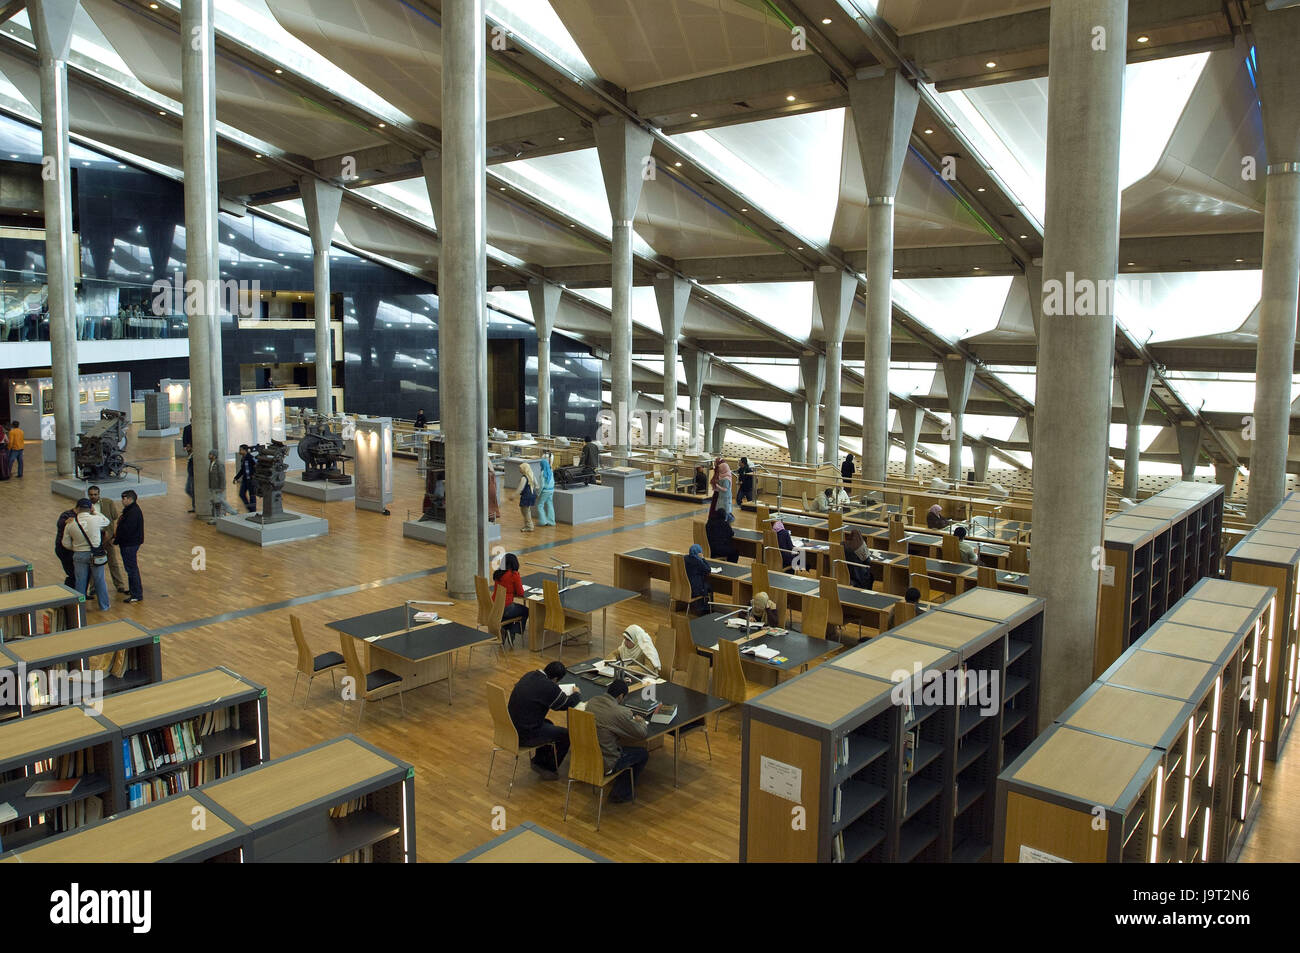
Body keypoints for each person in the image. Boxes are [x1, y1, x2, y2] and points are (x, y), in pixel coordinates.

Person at [507, 661, 581, 778]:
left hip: (511, 727)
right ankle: (549, 768)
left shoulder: (530, 675)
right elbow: (566, 704)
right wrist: (576, 693)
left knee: (548, 724)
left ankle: (539, 761)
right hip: (524, 734)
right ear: (556, 678)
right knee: (566, 735)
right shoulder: (548, 687)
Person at [585, 678, 649, 803]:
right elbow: (641, 734)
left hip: (587, 757)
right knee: (642, 753)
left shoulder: (592, 702)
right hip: (605, 762)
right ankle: (621, 793)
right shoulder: (619, 712)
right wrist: (640, 722)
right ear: (620, 696)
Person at [62, 498, 111, 612]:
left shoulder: (70, 523)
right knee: (99, 580)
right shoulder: (96, 519)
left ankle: (80, 608)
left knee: (80, 581)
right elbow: (107, 521)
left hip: (79, 554)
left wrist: (76, 547)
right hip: (95, 554)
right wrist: (95, 512)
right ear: (90, 508)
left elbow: (65, 543)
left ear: (77, 509)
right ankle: (104, 606)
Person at [87, 485, 129, 596]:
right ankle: (93, 588)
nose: (93, 496)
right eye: (91, 494)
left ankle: (119, 585)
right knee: (93, 563)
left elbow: (114, 516)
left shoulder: (108, 502)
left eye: (95, 494)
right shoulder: (85, 505)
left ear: (99, 494)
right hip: (93, 538)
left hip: (107, 536)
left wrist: (111, 534)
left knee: (113, 562)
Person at [115, 489, 144, 604]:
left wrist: (117, 539)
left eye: (124, 498)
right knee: (131, 568)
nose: (122, 500)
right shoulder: (131, 510)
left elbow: (126, 530)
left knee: (131, 569)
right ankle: (133, 590)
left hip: (129, 544)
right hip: (129, 543)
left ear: (130, 499)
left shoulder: (133, 512)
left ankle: (136, 594)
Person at [684, 543, 712, 615]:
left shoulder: (684, 558)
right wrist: (703, 558)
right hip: (695, 590)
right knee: (710, 587)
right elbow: (708, 569)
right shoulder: (698, 561)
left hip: (685, 588)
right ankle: (706, 609)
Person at [54, 505, 78, 588]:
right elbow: (60, 524)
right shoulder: (66, 515)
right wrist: (65, 522)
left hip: (71, 549)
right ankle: (70, 593)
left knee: (75, 574)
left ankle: (77, 593)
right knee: (72, 574)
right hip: (64, 550)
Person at [709, 458, 734, 523]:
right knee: (721, 508)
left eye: (715, 462)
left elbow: (725, 488)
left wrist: (716, 485)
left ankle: (724, 519)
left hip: (722, 495)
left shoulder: (724, 476)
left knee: (723, 508)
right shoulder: (722, 473)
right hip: (720, 494)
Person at [516, 460, 538, 532]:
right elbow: (537, 485)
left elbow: (520, 488)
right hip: (532, 494)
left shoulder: (524, 478)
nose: (519, 470)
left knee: (525, 511)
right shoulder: (531, 475)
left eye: (521, 468)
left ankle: (529, 526)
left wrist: (514, 495)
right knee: (527, 510)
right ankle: (528, 524)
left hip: (526, 496)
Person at [234, 445, 257, 512]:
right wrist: (236, 478)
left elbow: (257, 466)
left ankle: (253, 510)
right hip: (245, 480)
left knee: (252, 495)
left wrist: (254, 475)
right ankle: (249, 508)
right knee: (241, 494)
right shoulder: (243, 459)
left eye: (240, 449)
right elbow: (242, 470)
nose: (239, 451)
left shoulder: (251, 458)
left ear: (245, 450)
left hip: (251, 480)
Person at [535, 453, 556, 526]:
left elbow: (542, 485)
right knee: (550, 504)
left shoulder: (543, 473)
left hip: (545, 491)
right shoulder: (551, 471)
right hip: (551, 490)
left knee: (540, 505)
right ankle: (551, 521)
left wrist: (538, 493)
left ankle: (543, 521)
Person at [486, 454, 500, 522]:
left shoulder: (489, 474)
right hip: (491, 489)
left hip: (489, 490)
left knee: (490, 505)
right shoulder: (491, 473)